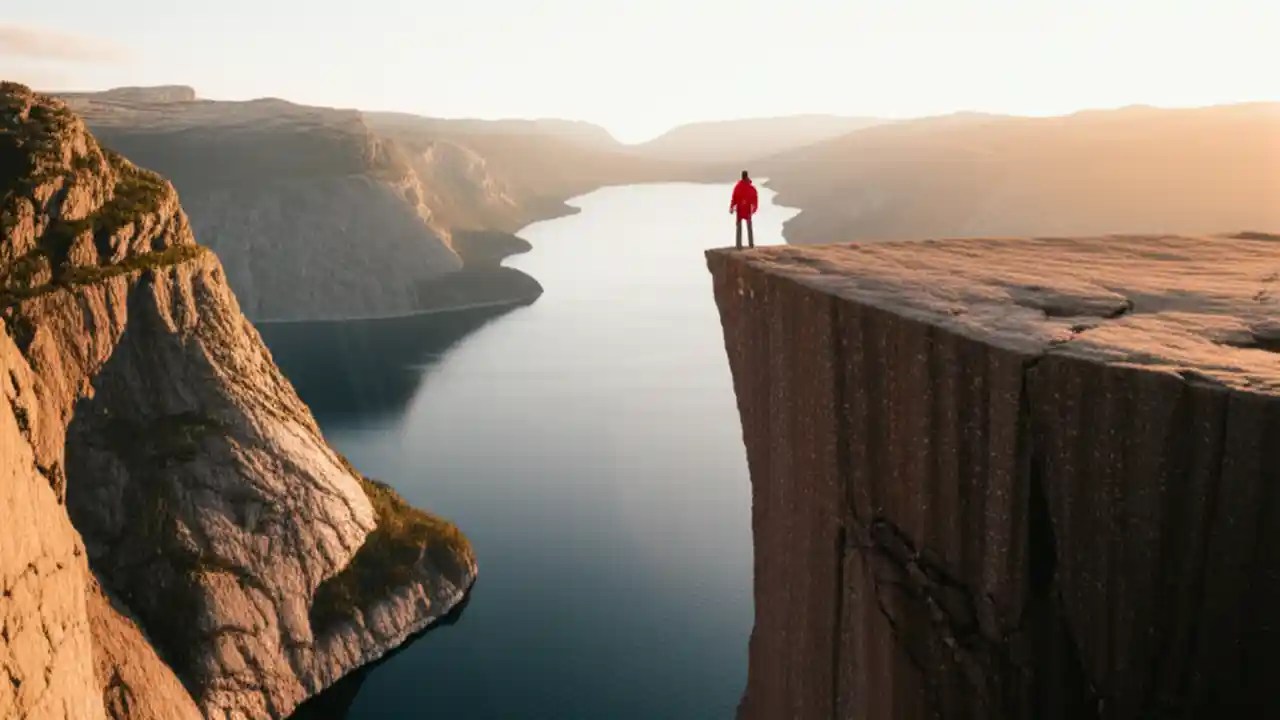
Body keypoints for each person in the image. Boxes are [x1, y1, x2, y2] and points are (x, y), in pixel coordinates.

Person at [729, 170, 758, 249]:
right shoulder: (750, 187)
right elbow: (755, 198)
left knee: (739, 227)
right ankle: (751, 244)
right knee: (748, 227)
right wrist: (754, 207)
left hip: (740, 209)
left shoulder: (738, 187)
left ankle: (739, 245)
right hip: (746, 209)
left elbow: (734, 198)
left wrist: (731, 207)